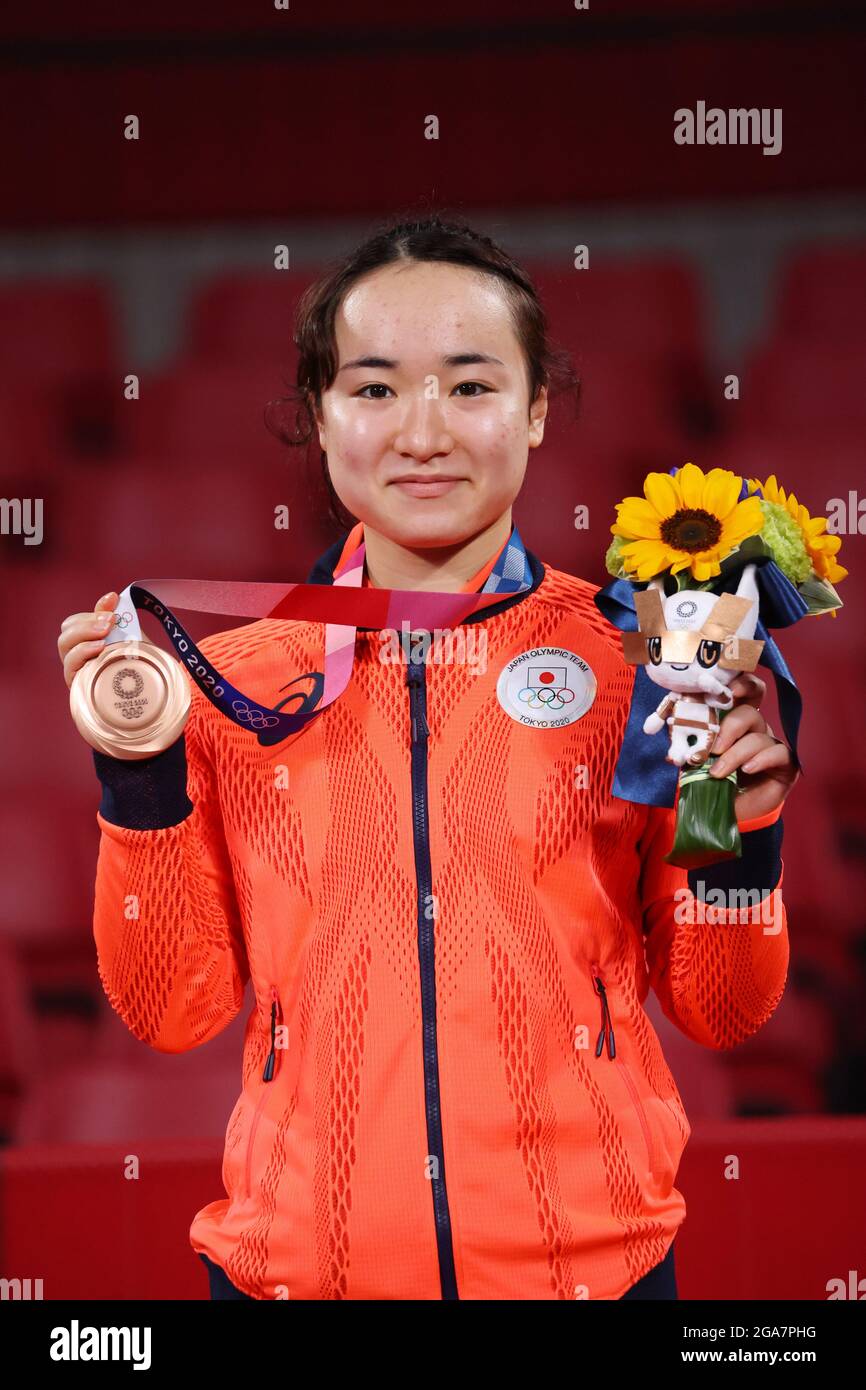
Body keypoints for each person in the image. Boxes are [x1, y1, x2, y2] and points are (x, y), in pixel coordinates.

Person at [57, 213, 798, 1300]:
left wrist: (746, 839)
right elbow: (168, 1011)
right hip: (296, 1276)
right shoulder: (233, 680)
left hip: (591, 1275)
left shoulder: (648, 659)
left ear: (537, 407)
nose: (422, 432)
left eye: (469, 384)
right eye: (372, 389)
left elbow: (723, 1011)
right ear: (317, 416)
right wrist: (139, 780)